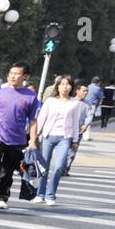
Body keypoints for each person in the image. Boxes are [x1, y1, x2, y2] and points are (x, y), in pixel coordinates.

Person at [0, 61, 39, 211]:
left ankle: (1, 197)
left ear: (25, 76)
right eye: (11, 73)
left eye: (17, 74)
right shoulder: (0, 92)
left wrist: (32, 141)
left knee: (7, 170)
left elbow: (33, 121)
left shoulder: (31, 97)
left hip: (17, 139)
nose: (13, 76)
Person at [31, 73, 84, 206]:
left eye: (68, 84)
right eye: (62, 84)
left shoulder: (75, 103)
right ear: (58, 86)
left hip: (65, 138)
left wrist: (75, 141)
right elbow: (41, 119)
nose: (65, 87)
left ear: (72, 87)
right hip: (48, 136)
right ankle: (40, 194)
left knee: (59, 166)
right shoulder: (50, 101)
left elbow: (75, 122)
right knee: (44, 166)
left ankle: (51, 195)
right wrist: (34, 137)